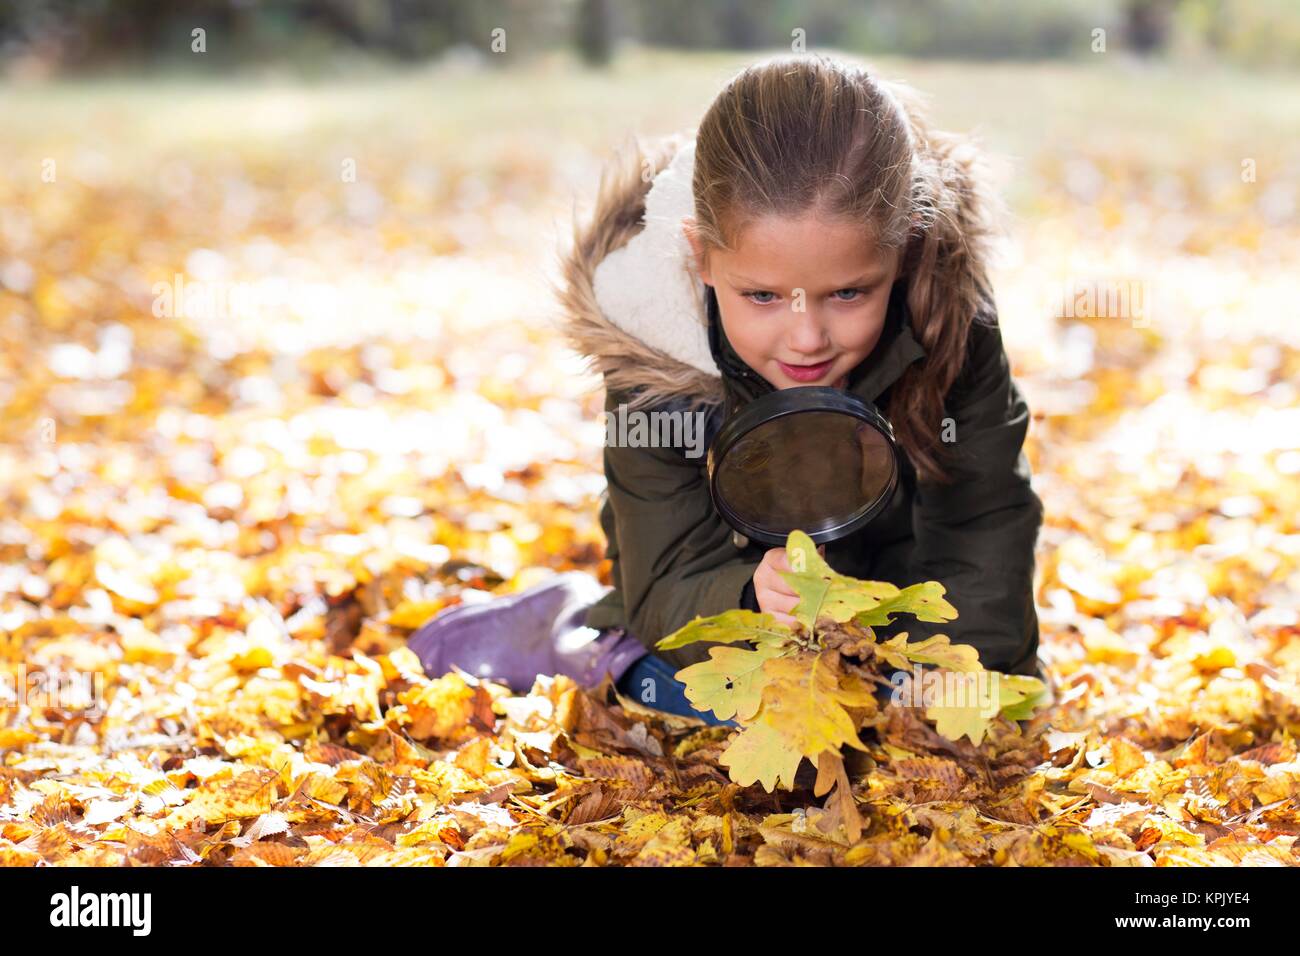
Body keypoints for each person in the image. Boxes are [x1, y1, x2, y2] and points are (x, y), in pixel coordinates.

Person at [411, 53, 1048, 725]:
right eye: (764, 296)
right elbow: (666, 576)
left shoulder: (951, 324)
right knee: (675, 691)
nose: (807, 337)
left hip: (891, 601)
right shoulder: (655, 350)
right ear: (700, 256)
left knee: (982, 696)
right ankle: (567, 622)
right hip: (716, 594)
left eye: (849, 292)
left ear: (905, 250)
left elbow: (987, 527)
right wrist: (750, 599)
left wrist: (928, 673)